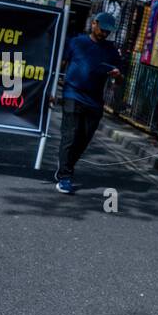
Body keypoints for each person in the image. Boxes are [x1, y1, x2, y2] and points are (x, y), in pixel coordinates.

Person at [53, 10, 124, 193]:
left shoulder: (111, 51)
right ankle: (65, 176)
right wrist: (53, 89)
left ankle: (65, 163)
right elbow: (60, 63)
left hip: (94, 101)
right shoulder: (76, 42)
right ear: (94, 24)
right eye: (103, 29)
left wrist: (117, 76)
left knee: (82, 140)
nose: (105, 34)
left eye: (108, 31)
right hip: (72, 94)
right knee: (70, 135)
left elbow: (120, 78)